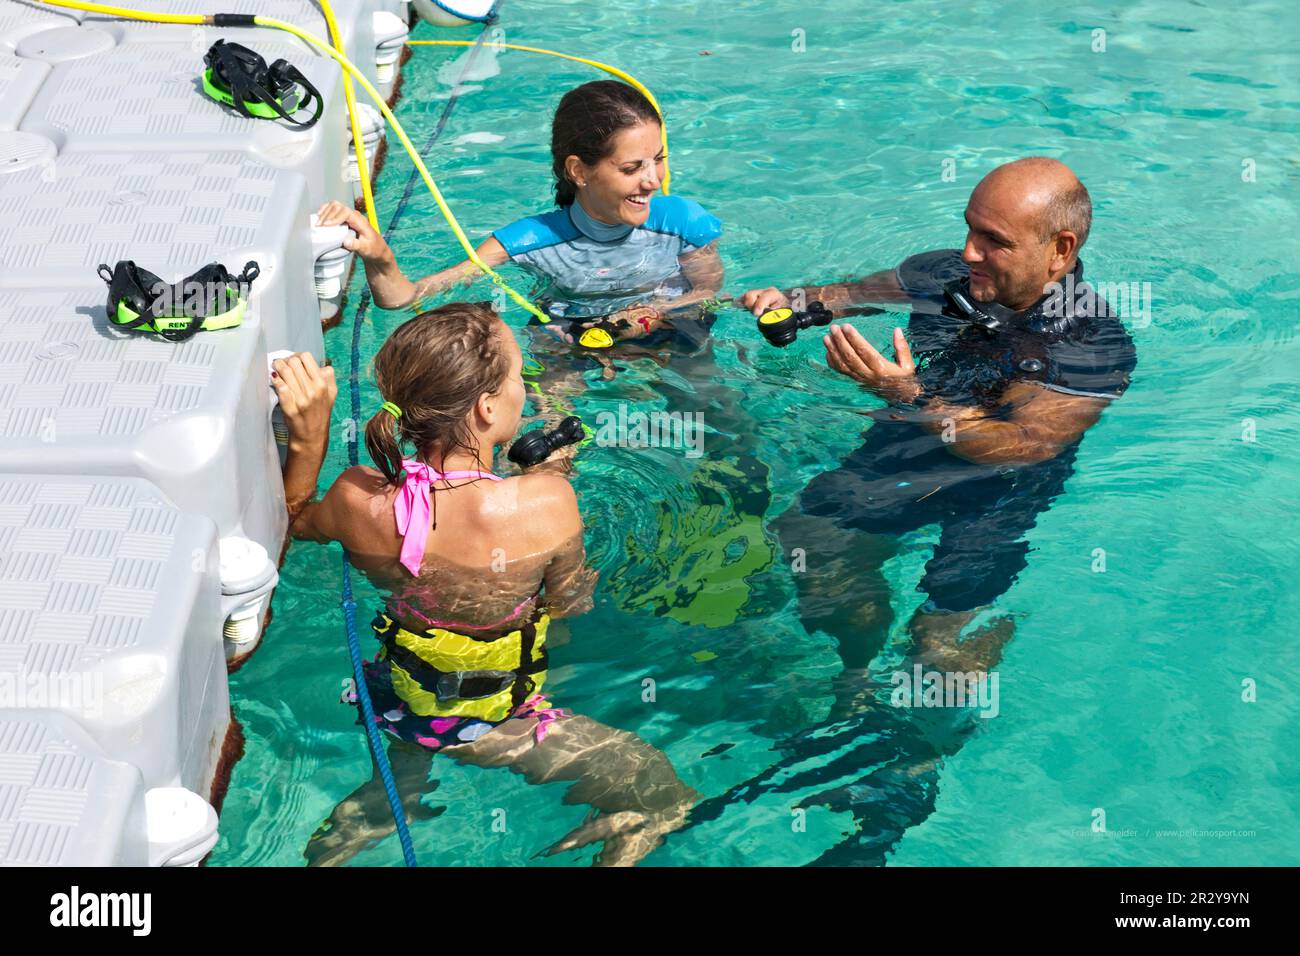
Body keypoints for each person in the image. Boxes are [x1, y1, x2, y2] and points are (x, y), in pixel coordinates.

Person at [271, 302, 697, 866]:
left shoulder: (357, 497)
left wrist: (308, 438)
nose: (526, 388)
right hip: (496, 721)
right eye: (520, 377)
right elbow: (570, 604)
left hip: (391, 696)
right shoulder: (546, 503)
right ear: (488, 405)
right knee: (662, 790)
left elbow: (297, 520)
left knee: (408, 743)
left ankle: (390, 798)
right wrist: (551, 481)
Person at [740, 156, 1137, 705]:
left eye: (993, 239)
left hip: (999, 493)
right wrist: (785, 301)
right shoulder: (943, 274)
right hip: (911, 441)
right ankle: (854, 681)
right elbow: (844, 294)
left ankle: (921, 756)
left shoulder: (1093, 344)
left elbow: (1022, 448)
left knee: (939, 647)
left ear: (1060, 250)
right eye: (969, 227)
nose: (970, 251)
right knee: (808, 537)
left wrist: (906, 394)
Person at [315, 79, 724, 346]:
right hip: (569, 347)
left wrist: (648, 316)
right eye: (632, 168)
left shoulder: (684, 223)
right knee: (541, 442)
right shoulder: (531, 241)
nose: (654, 180)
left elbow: (707, 295)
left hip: (670, 338)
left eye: (659, 159)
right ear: (579, 170)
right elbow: (405, 299)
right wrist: (378, 257)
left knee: (722, 420)